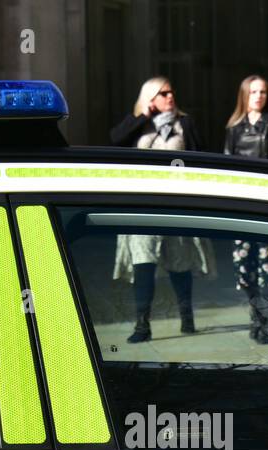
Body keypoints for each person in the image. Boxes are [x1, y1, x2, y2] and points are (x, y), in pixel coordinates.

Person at [110, 77, 212, 343]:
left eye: (171, 92)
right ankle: (142, 325)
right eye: (163, 93)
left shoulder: (185, 123)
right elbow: (114, 141)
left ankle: (186, 316)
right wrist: (141, 117)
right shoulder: (138, 125)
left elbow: (202, 155)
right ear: (150, 98)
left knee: (179, 264)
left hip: (176, 204)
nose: (170, 97)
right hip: (142, 205)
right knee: (143, 263)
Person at [224, 75, 268, 343]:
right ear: (245, 95)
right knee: (244, 268)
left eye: (263, 91)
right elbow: (225, 169)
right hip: (242, 206)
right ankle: (256, 315)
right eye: (253, 91)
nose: (258, 96)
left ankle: (267, 323)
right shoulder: (234, 127)